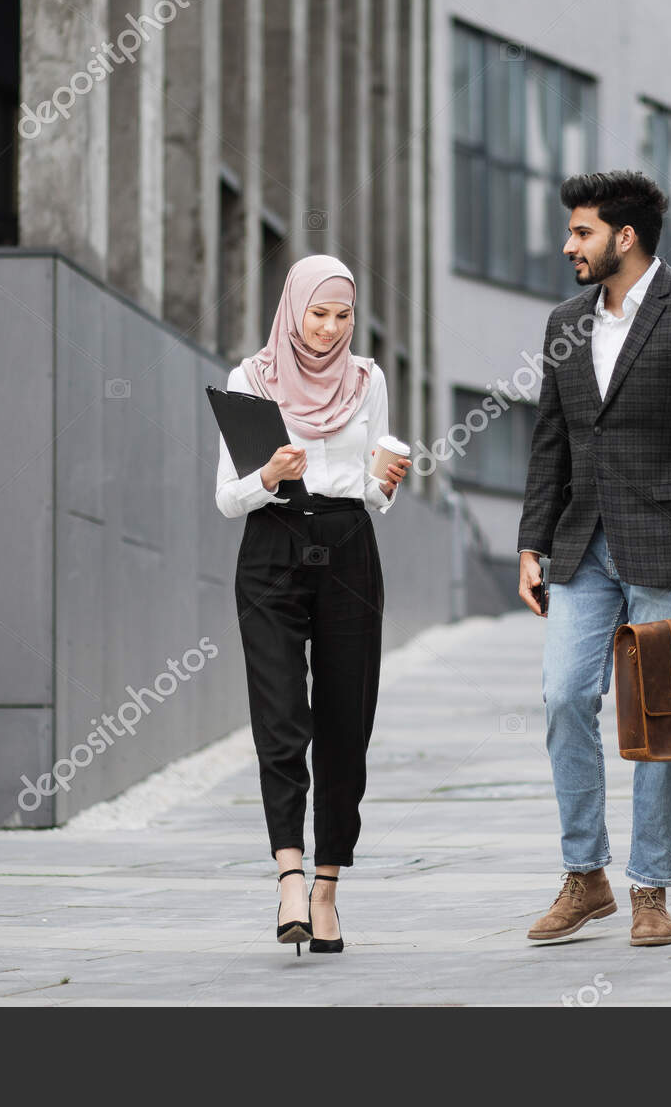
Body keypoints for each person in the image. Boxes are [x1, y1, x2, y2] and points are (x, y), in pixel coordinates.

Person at [515, 170, 671, 947]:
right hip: (582, 547)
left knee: (658, 717)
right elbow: (550, 440)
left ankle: (650, 888)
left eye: (580, 231)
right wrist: (531, 542)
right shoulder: (564, 320)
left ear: (624, 236)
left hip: (670, 553)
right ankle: (585, 878)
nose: (567, 245)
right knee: (562, 697)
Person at [214, 253, 411, 957]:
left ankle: (327, 885)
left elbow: (371, 489)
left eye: (343, 314)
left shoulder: (369, 380)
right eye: (318, 312)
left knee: (345, 720)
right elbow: (227, 496)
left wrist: (387, 480)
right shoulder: (252, 379)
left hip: (349, 547)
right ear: (292, 308)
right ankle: (288, 871)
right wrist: (267, 473)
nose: (330, 328)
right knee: (280, 715)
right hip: (272, 543)